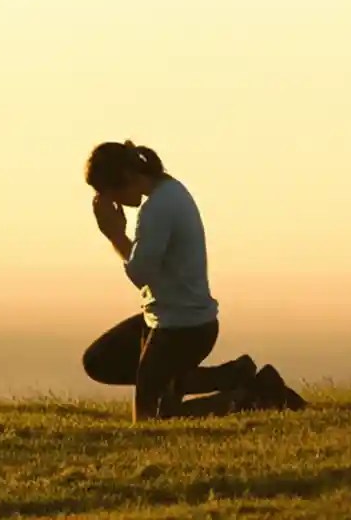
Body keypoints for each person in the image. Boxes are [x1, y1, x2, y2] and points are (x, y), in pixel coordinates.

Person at [81, 140, 305, 420]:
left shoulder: (157, 209)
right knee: (99, 361)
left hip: (181, 328)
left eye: (109, 193)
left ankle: (254, 395)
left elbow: (141, 274)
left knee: (152, 420)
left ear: (125, 179)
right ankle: (231, 376)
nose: (113, 203)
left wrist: (114, 234)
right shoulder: (169, 191)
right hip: (167, 318)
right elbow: (150, 272)